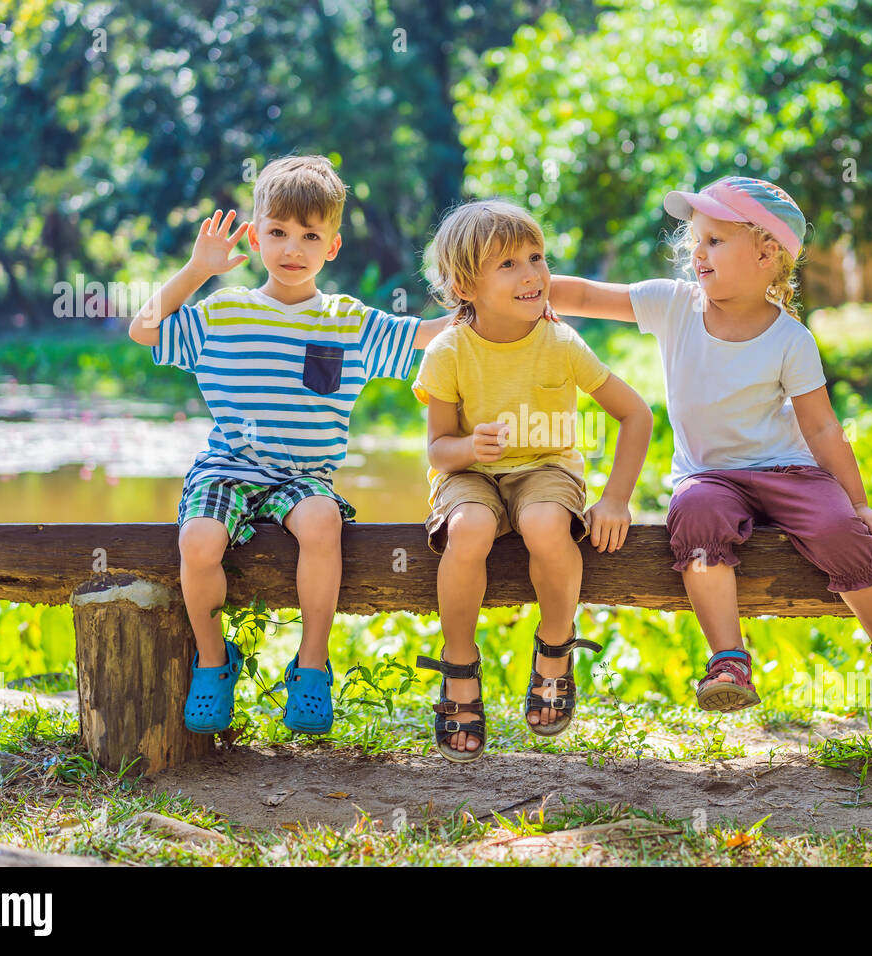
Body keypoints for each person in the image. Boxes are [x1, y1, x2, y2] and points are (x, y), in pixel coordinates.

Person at [548, 176, 872, 711]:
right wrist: (517, 285)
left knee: (838, 528)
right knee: (693, 514)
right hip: (709, 477)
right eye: (695, 239)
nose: (697, 252)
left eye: (714, 240)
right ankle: (729, 660)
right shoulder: (674, 306)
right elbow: (581, 295)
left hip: (789, 471)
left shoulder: (790, 338)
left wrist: (858, 504)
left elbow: (824, 429)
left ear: (766, 254)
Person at [128, 155, 458, 737]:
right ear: (255, 237)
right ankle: (213, 659)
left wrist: (488, 304)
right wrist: (196, 270)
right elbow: (145, 328)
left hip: (306, 475)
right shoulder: (225, 311)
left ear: (331, 246)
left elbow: (423, 336)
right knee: (199, 539)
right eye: (277, 233)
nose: (292, 248)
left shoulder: (345, 322)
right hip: (229, 466)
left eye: (309, 235)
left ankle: (310, 665)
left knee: (323, 521)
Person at [411, 199, 653, 761]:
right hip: (470, 475)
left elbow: (635, 413)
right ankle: (459, 667)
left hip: (546, 471)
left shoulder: (561, 342)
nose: (532, 274)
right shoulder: (448, 350)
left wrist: (616, 499)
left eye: (536, 257)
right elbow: (439, 449)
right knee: (468, 528)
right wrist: (471, 446)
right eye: (509, 264)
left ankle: (554, 647)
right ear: (465, 286)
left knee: (547, 525)